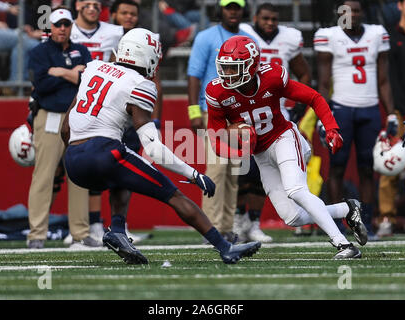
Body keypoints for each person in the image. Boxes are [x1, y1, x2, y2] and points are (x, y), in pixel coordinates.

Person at [61, 27, 261, 265]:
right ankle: (225, 247)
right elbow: (154, 148)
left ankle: (117, 231)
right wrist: (194, 174)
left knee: (123, 172)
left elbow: (65, 128)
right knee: (173, 194)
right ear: (145, 55)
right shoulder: (140, 84)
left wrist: (79, 152)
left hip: (72, 159)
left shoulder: (93, 68)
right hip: (103, 153)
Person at [206, 35, 367, 259]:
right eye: (224, 68)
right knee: (294, 218)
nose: (227, 74)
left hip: (283, 138)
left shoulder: (272, 77)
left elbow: (314, 97)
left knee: (296, 190)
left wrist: (331, 127)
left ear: (251, 66)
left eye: (234, 68)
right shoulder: (217, 93)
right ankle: (347, 209)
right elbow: (215, 138)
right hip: (261, 154)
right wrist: (237, 152)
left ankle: (343, 244)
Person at [314, 0, 397, 240]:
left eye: (356, 10)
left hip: (369, 108)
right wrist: (323, 117)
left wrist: (390, 112)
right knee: (337, 167)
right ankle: (338, 227)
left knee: (367, 169)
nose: (352, 15)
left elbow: (383, 79)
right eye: (346, 11)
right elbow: (323, 82)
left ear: (363, 12)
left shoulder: (376, 33)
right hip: (340, 109)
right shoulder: (328, 36)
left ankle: (366, 224)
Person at [233, 2, 312, 242]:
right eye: (265, 19)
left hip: (274, 118)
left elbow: (304, 74)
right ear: (255, 17)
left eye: (274, 19)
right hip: (244, 115)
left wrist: (297, 107)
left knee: (261, 173)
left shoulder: (289, 39)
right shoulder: (243, 34)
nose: (269, 23)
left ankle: (254, 222)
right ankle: (238, 220)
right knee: (241, 171)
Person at [26, 7, 99, 249]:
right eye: (58, 24)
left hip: (77, 118)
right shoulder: (39, 52)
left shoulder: (82, 50)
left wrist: (61, 73)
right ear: (50, 27)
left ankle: (80, 232)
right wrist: (72, 74)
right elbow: (41, 84)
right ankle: (37, 234)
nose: (62, 29)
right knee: (44, 176)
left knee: (78, 176)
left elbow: (89, 82)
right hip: (49, 116)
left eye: (66, 24)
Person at [187, 0, 253, 243]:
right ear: (220, 10)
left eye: (237, 7)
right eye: (228, 7)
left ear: (243, 10)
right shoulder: (205, 37)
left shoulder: (248, 39)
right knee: (215, 170)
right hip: (212, 111)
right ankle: (211, 228)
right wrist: (194, 111)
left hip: (237, 115)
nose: (233, 11)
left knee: (233, 173)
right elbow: (194, 75)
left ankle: (225, 227)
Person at [61, 0, 125, 245]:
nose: (92, 7)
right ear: (77, 5)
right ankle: (75, 226)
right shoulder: (63, 28)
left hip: (99, 104)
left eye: (97, 3)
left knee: (97, 162)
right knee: (63, 168)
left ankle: (97, 224)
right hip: (66, 101)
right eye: (86, 2)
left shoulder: (115, 32)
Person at [109, 0, 162, 244]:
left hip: (133, 118)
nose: (129, 17)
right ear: (113, 15)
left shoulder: (144, 40)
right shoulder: (106, 38)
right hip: (108, 118)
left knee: (124, 173)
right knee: (101, 171)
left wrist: (155, 117)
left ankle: (120, 225)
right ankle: (89, 225)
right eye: (124, 13)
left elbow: (154, 80)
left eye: (133, 13)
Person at [377, 0, 405, 237]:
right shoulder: (390, 37)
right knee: (391, 163)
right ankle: (386, 217)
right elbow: (389, 79)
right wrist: (401, 111)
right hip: (402, 114)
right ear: (400, 6)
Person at [0, 0, 39, 82]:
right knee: (24, 39)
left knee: (23, 44)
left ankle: (17, 84)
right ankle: (19, 85)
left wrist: (9, 8)